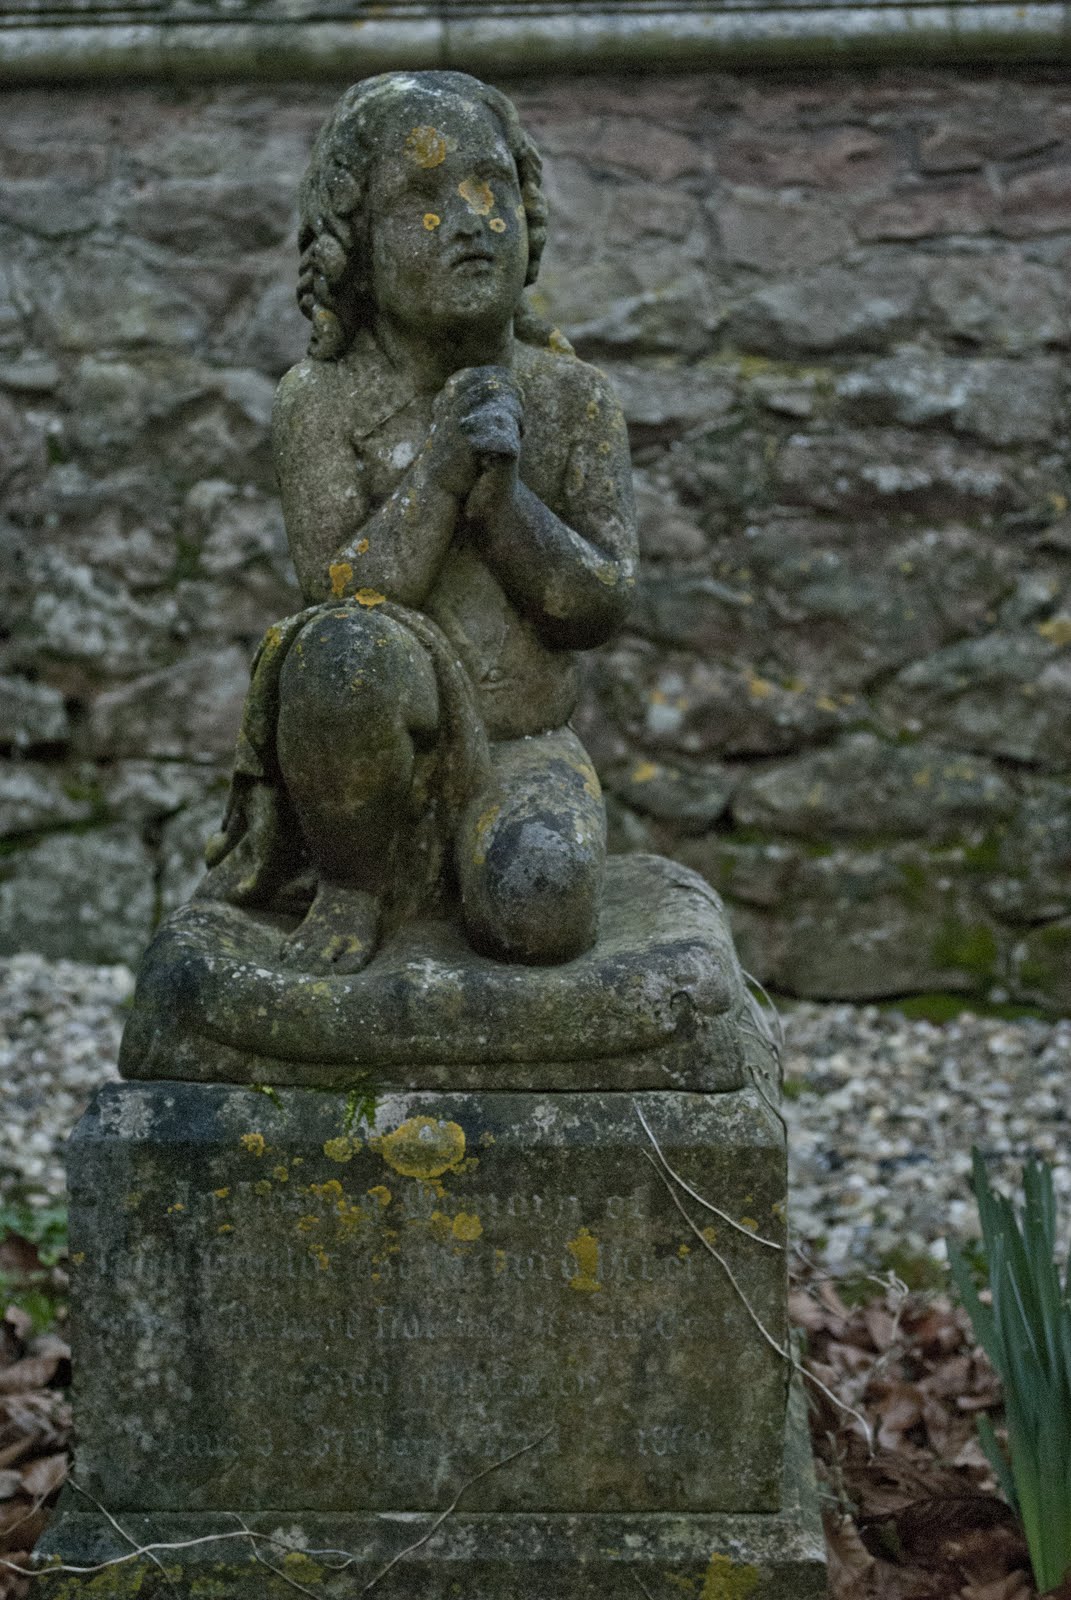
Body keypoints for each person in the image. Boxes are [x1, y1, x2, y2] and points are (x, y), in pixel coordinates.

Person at [200, 70, 638, 973]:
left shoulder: (569, 397)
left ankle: (487, 865)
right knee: (341, 651)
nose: (472, 217)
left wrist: (505, 503)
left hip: (521, 752)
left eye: (491, 185)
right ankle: (352, 882)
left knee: (541, 911)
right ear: (353, 242)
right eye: (424, 197)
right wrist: (439, 477)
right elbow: (344, 596)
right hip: (370, 760)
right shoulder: (321, 401)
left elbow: (594, 607)